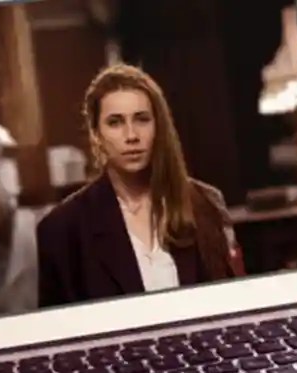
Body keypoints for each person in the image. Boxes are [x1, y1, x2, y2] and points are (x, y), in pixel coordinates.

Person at [36, 64, 241, 308]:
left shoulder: (204, 203)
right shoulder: (62, 229)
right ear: (96, 134)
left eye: (142, 119)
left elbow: (230, 306)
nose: (131, 135)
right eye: (115, 122)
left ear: (158, 126)